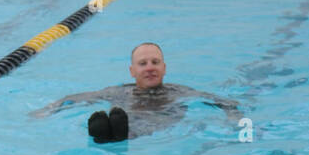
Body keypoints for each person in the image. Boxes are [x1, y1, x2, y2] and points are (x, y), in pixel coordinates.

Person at [33, 42, 240, 140]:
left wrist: (233, 116)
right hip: (128, 120)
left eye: (155, 62)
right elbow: (76, 98)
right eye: (143, 63)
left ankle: (110, 134)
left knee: (128, 125)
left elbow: (222, 101)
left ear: (164, 68)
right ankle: (107, 132)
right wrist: (49, 109)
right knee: (117, 120)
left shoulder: (178, 91)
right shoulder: (119, 92)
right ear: (132, 71)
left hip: (154, 124)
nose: (150, 67)